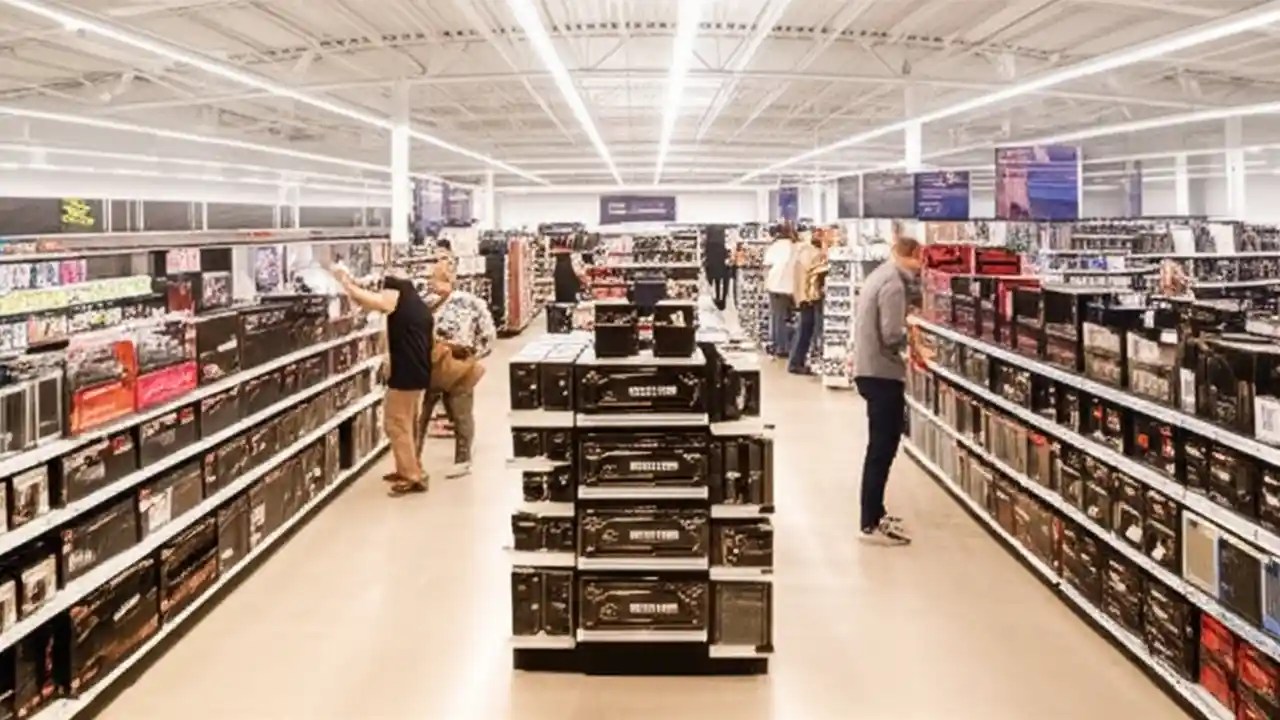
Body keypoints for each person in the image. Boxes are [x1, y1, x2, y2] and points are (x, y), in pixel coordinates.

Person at [852, 236, 928, 544]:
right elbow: (891, 333)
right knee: (882, 448)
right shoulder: (894, 283)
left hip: (869, 369)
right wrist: (913, 343)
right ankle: (871, 519)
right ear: (914, 254)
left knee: (879, 447)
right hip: (882, 373)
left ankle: (874, 510)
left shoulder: (880, 274)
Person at [331, 265, 432, 496]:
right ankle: (408, 467)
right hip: (417, 370)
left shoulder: (398, 300)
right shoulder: (413, 305)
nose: (384, 293)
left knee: (395, 423)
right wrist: (353, 288)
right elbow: (373, 303)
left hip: (406, 372)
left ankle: (411, 475)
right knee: (407, 422)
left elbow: (381, 304)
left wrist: (347, 285)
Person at [417, 265, 497, 478]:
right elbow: (489, 335)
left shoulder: (469, 302)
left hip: (449, 363)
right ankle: (414, 461)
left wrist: (473, 357)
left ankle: (460, 459)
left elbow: (489, 334)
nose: (432, 285)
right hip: (437, 363)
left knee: (455, 413)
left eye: (434, 280)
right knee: (428, 414)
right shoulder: (427, 303)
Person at [787, 230, 828, 375]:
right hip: (808, 296)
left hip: (804, 296)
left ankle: (797, 361)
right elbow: (815, 271)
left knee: (805, 329)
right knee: (805, 330)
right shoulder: (809, 252)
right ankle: (796, 362)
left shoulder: (801, 251)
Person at [762, 224, 798, 357]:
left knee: (778, 318)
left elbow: (767, 266)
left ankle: (780, 347)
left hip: (776, 286)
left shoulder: (774, 247)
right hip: (792, 287)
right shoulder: (795, 247)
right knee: (789, 318)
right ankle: (787, 345)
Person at [703, 225, 730, 310]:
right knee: (721, 283)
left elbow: (707, 256)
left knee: (716, 283)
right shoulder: (721, 245)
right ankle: (721, 300)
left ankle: (718, 299)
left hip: (713, 265)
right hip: (721, 266)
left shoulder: (709, 245)